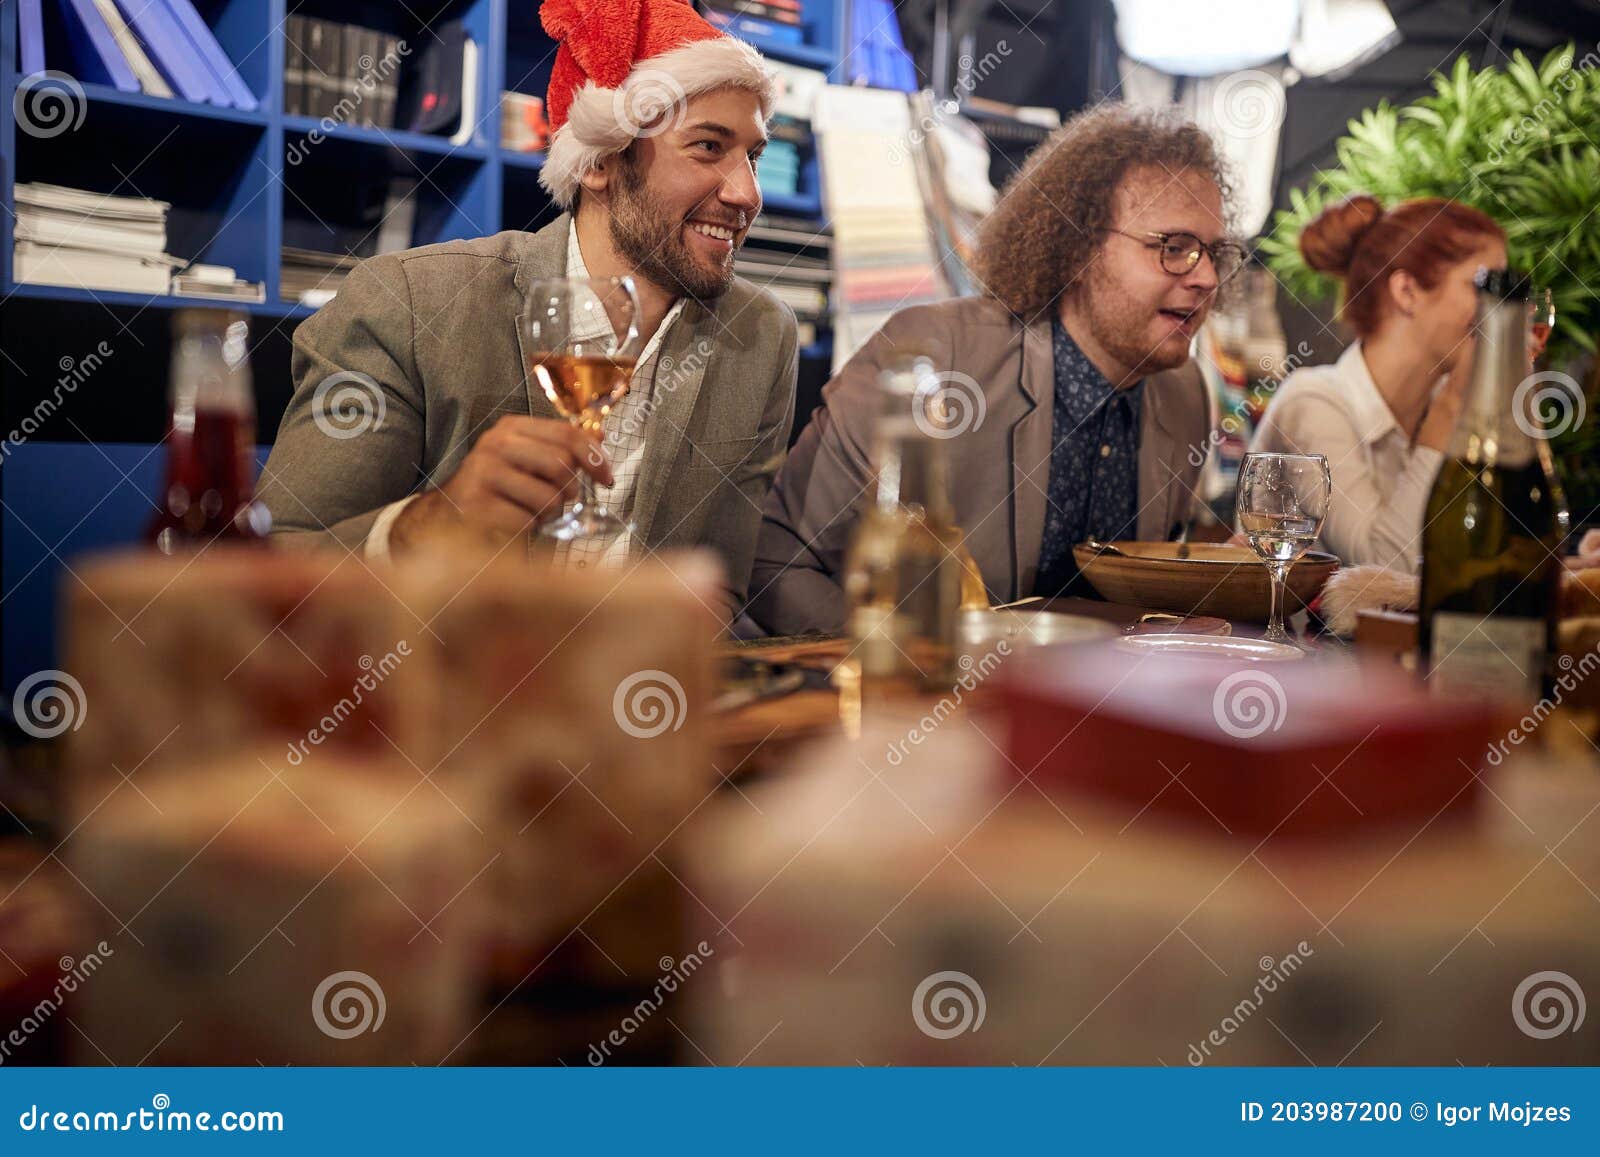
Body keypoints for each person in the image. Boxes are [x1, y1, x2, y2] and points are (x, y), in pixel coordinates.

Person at [258, 0, 798, 613]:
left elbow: (718, 587)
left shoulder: (762, 335)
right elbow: (275, 569)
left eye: (752, 156)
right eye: (707, 147)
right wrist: (432, 522)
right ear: (599, 162)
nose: (746, 193)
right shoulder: (408, 303)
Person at [747, 105, 1236, 636]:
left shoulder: (1185, 394)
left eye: (1214, 252)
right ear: (1078, 247)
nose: (1207, 277)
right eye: (1175, 248)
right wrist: (919, 672)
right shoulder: (934, 357)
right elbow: (775, 565)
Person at [1248, 195, 1508, 574]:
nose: (1500, 310)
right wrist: (1454, 403)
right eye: (1483, 287)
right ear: (1407, 292)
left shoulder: (1446, 407)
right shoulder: (1312, 403)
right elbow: (1381, 575)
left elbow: (1485, 555)